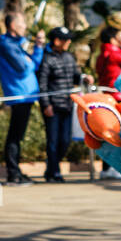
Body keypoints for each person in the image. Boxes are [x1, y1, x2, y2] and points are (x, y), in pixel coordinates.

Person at [0, 11, 44, 186]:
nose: (25, 27)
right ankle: (13, 173)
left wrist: (36, 48)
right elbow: (24, 67)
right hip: (18, 95)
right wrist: (33, 55)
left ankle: (16, 171)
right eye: (22, 23)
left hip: (27, 95)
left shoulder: (18, 44)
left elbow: (33, 63)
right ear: (13, 26)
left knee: (18, 136)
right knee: (14, 135)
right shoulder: (6, 44)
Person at [38, 26, 81, 182]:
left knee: (65, 140)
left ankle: (51, 166)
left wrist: (84, 77)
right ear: (57, 41)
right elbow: (42, 84)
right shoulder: (46, 58)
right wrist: (45, 105)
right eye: (65, 39)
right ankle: (53, 172)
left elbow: (76, 76)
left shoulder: (69, 57)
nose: (68, 42)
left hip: (67, 105)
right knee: (53, 141)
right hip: (53, 107)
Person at [95, 25, 121, 90]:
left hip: (107, 91)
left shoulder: (101, 55)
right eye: (119, 38)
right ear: (112, 40)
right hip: (117, 92)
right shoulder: (114, 55)